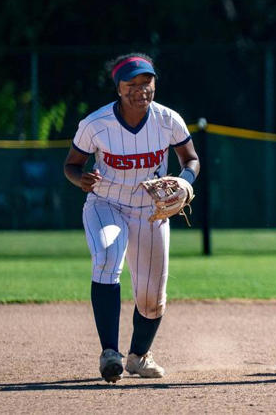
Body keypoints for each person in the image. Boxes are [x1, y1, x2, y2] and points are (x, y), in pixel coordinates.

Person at [63, 53, 200, 383]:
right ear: (119, 88)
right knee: (108, 256)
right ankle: (110, 352)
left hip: (151, 211)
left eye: (146, 81)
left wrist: (185, 181)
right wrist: (78, 178)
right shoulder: (96, 124)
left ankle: (139, 356)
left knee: (151, 298)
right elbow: (71, 164)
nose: (141, 89)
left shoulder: (168, 120)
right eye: (132, 84)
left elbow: (190, 159)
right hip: (106, 203)